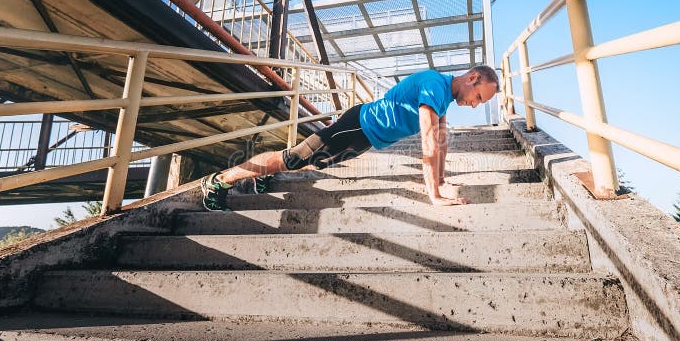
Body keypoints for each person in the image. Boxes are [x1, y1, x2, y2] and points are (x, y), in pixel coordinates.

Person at [201, 65, 500, 211]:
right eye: (478, 97)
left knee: (305, 162)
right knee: (293, 159)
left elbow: (441, 141)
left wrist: (443, 180)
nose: (475, 105)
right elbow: (429, 142)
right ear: (472, 77)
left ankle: (263, 174)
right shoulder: (435, 85)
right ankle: (219, 180)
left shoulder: (445, 97)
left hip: (364, 139)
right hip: (356, 127)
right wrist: (433, 194)